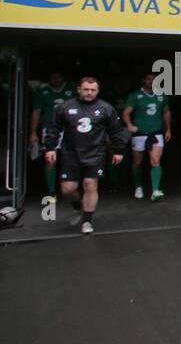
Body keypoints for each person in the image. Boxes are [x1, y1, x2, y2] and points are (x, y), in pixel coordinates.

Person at [42, 77, 128, 234]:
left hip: (95, 153)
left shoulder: (106, 108)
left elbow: (115, 131)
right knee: (68, 190)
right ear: (79, 89)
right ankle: (80, 207)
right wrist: (50, 148)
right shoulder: (65, 107)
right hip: (71, 153)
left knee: (90, 185)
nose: (89, 93)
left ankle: (87, 222)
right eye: (86, 89)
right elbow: (54, 128)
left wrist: (118, 151)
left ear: (98, 91)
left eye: (93, 90)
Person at [122, 71, 171, 201]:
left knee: (155, 161)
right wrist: (129, 125)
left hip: (156, 132)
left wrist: (168, 129)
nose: (151, 81)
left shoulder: (162, 95)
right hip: (139, 133)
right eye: (149, 79)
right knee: (137, 162)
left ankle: (155, 190)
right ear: (143, 80)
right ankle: (138, 186)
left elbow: (166, 112)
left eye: (154, 79)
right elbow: (126, 113)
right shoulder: (135, 95)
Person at [28, 71, 75, 204]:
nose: (56, 79)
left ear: (63, 77)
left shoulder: (71, 91)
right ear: (49, 78)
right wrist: (32, 132)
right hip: (50, 129)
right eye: (53, 77)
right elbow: (36, 112)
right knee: (50, 160)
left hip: (70, 129)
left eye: (59, 76)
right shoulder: (42, 92)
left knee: (71, 159)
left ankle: (71, 190)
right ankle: (51, 192)